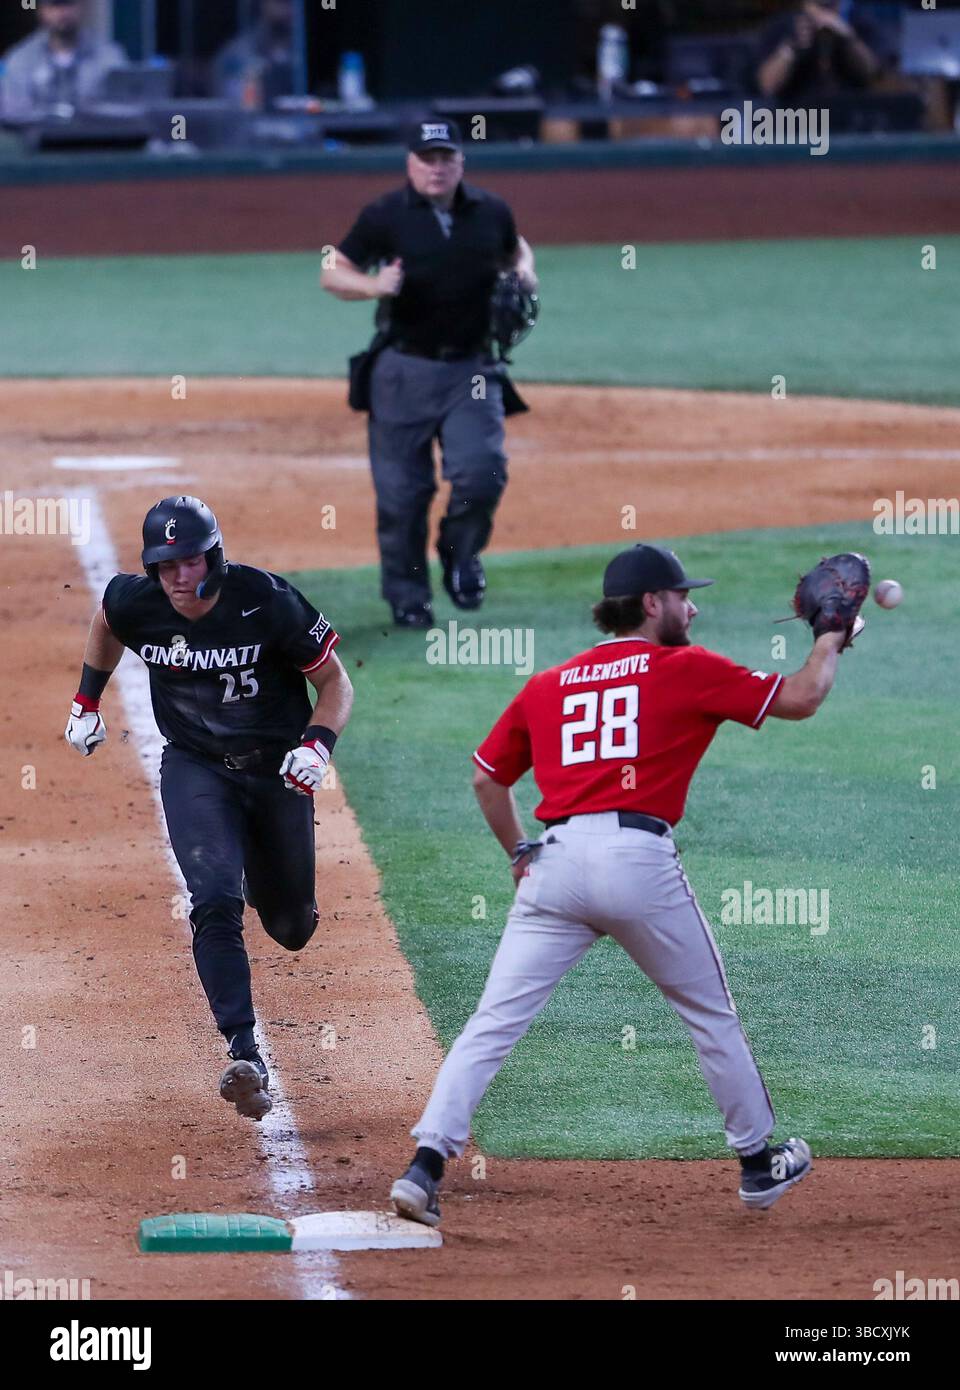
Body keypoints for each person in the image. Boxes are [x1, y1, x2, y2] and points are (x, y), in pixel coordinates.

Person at [390, 543, 862, 1227]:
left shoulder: (548, 683)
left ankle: (424, 1167)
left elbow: (487, 779)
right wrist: (830, 637)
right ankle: (759, 1164)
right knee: (710, 1013)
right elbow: (803, 696)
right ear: (651, 604)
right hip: (636, 864)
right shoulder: (687, 667)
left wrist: (519, 851)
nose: (692, 607)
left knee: (493, 1022)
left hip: (554, 863)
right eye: (682, 597)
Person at [63, 496, 353, 1121]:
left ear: (213, 558)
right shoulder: (135, 601)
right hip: (195, 767)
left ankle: (260, 869)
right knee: (213, 898)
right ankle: (245, 1050)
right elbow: (108, 621)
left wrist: (316, 745)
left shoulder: (268, 601)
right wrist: (87, 700)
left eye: (189, 562)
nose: (178, 578)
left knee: (291, 927)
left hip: (276, 769)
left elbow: (336, 683)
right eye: (165, 567)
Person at [322, 119, 538, 629]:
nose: (437, 168)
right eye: (427, 159)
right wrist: (375, 286)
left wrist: (525, 271)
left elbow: (517, 249)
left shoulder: (491, 211)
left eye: (446, 158)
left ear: (461, 162)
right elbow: (332, 271)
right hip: (402, 370)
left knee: (482, 472)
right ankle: (408, 593)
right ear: (410, 163)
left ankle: (461, 555)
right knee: (402, 497)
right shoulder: (385, 215)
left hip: (473, 368)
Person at [0, 0, 128, 121]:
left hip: (96, 139)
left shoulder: (109, 55)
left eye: (69, 4)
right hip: (37, 140)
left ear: (82, 7)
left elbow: (124, 108)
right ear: (41, 11)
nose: (63, 13)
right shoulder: (20, 58)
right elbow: (14, 114)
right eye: (55, 5)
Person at [756, 1, 881, 103]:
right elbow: (767, 87)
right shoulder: (783, 27)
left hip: (851, 119)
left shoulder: (859, 23)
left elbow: (875, 77)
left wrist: (848, 37)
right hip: (798, 121)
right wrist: (791, 47)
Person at [212, 0, 297, 109]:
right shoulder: (238, 53)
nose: (289, 9)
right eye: (281, 2)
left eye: (293, 3)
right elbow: (236, 108)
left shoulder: (305, 50)